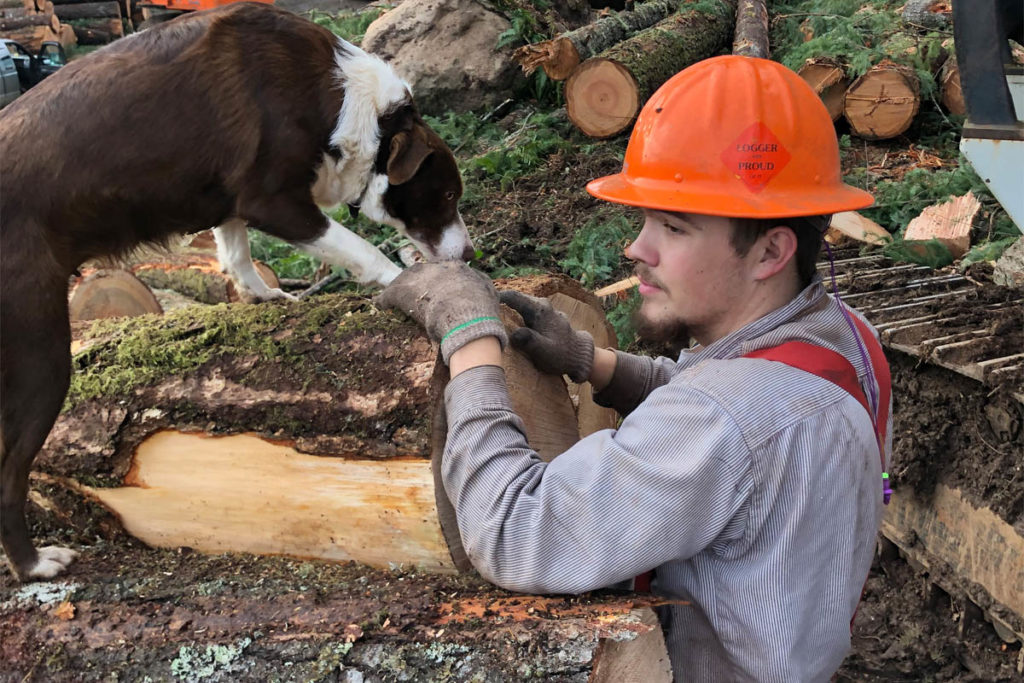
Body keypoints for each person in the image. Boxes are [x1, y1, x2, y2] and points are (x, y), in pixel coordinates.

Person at [377, 55, 892, 682]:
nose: (636, 249)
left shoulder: (723, 420)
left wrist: (470, 342)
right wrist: (593, 364)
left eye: (673, 227)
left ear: (770, 250)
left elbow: (515, 532)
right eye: (644, 219)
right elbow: (729, 415)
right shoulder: (846, 338)